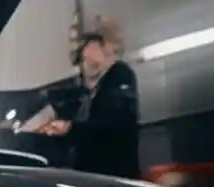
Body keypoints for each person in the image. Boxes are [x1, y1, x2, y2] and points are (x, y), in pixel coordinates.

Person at [41, 32, 140, 178]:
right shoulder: (89, 93)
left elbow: (112, 123)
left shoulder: (120, 76)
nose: (87, 61)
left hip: (115, 174)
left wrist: (70, 128)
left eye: (91, 53)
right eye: (84, 59)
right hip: (93, 175)